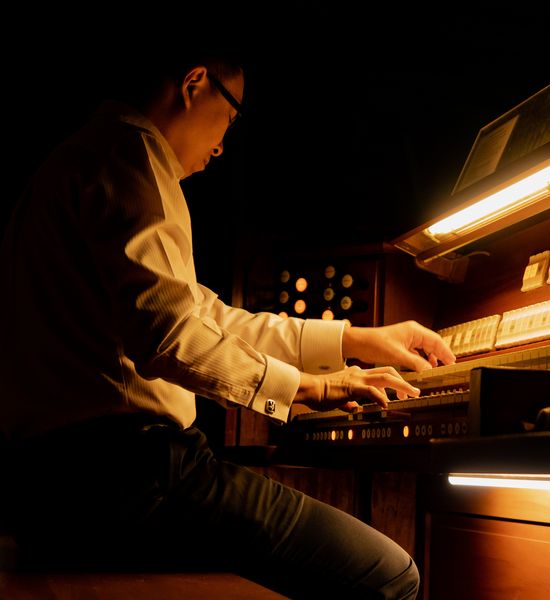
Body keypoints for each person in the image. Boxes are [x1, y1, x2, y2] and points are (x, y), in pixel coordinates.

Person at [0, 49, 455, 599]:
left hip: (47, 486)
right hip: (129, 476)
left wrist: (354, 339)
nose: (221, 145)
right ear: (195, 82)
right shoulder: (132, 156)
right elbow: (169, 336)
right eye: (231, 115)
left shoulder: (74, 161)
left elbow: (206, 316)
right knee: (392, 575)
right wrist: (313, 387)